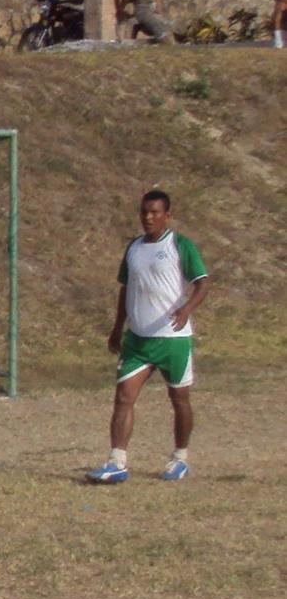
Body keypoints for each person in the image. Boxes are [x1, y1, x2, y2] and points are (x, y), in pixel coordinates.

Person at [88, 190, 209, 484]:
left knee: (179, 398)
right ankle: (117, 461)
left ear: (167, 215)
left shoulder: (180, 245)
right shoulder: (134, 247)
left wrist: (186, 309)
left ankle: (180, 457)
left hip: (172, 340)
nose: (148, 217)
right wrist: (118, 326)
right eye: (144, 212)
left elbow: (202, 283)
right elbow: (125, 288)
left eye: (155, 212)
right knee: (123, 397)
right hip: (138, 340)